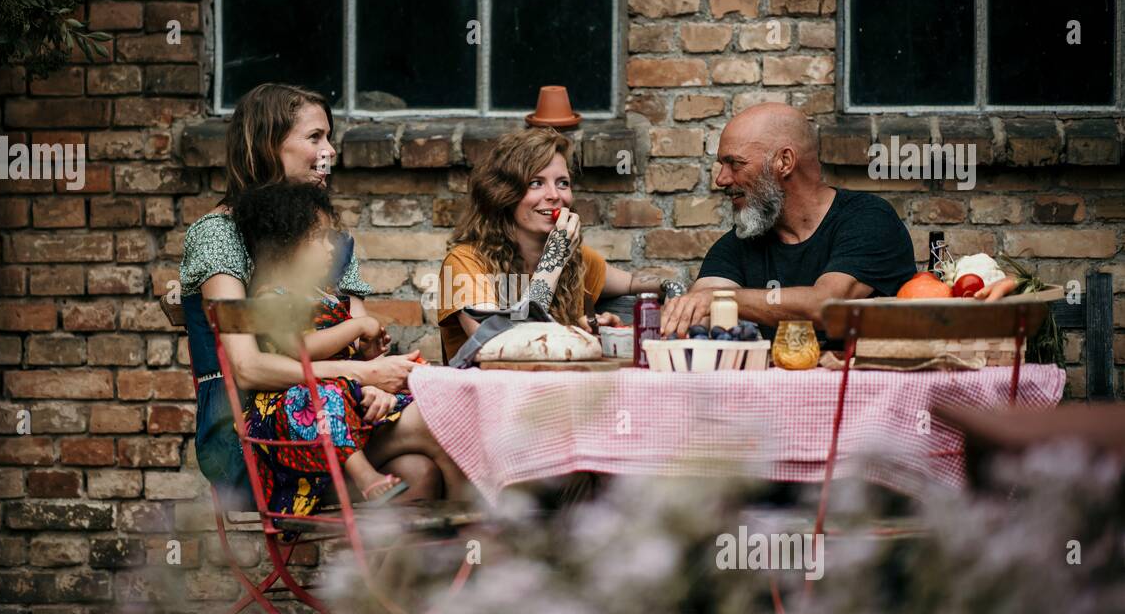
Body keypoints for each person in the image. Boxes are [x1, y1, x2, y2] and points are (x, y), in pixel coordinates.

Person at [178, 83, 440, 511]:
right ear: (267, 146)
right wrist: (362, 377)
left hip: (339, 414)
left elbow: (359, 347)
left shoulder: (328, 241)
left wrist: (376, 381)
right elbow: (247, 366)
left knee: (419, 475)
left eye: (329, 137)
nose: (330, 150)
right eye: (315, 137)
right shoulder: (221, 235)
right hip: (249, 434)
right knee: (443, 424)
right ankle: (514, 559)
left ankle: (403, 579)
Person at [234, 181, 435, 514]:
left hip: (339, 387)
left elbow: (341, 356)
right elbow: (300, 347)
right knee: (321, 397)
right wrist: (355, 326)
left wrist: (368, 352)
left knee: (422, 375)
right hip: (292, 406)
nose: (330, 248)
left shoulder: (324, 294)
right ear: (282, 243)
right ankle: (364, 474)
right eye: (317, 237)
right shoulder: (271, 296)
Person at [660, 102, 918, 340]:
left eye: (735, 164)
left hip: (864, 385)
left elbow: (827, 307)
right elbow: (701, 303)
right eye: (721, 165)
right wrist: (687, 314)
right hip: (782, 387)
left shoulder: (868, 220)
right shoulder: (740, 243)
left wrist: (722, 298)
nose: (721, 179)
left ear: (785, 162)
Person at [438, 128, 684, 363]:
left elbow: (632, 283)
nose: (555, 195)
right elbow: (500, 345)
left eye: (562, 183)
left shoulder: (576, 258)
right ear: (503, 193)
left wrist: (672, 289)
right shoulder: (465, 262)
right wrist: (553, 260)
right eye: (536, 183)